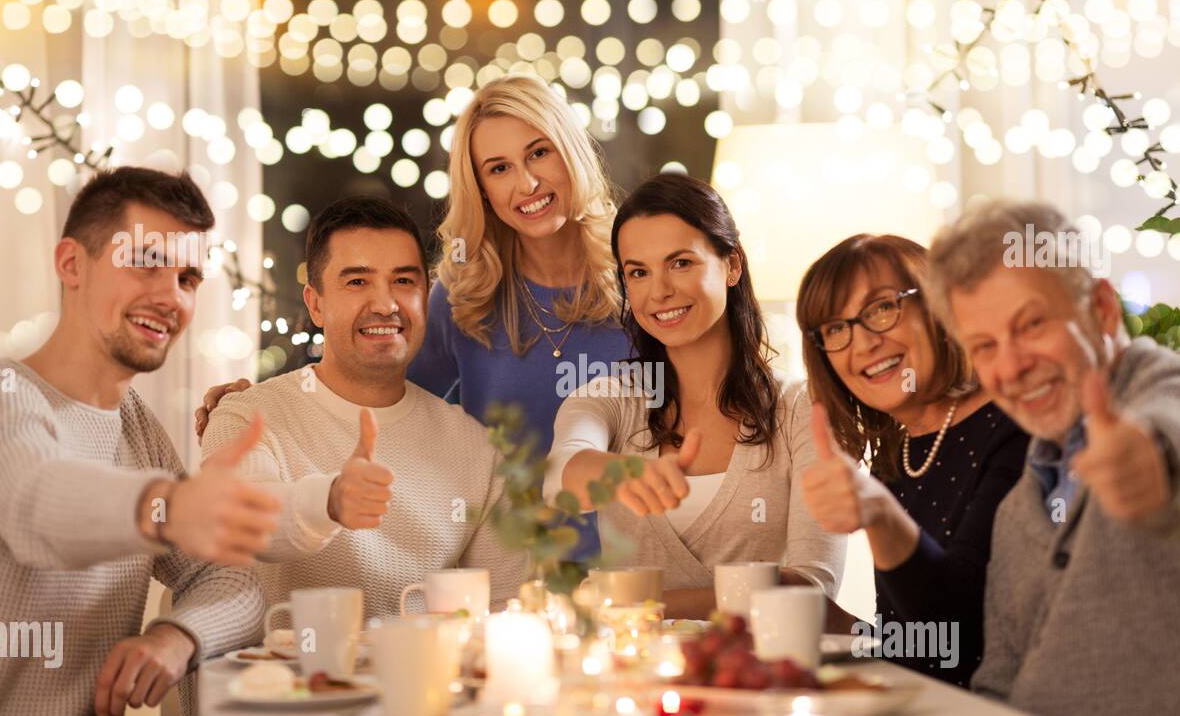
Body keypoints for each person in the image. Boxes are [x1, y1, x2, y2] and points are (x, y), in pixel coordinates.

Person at [0, 167, 277, 716]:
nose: (172, 297)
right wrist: (166, 506)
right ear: (72, 264)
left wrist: (177, 635)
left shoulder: (137, 430)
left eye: (187, 278)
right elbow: (38, 506)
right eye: (147, 264)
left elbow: (236, 584)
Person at [926, 198, 1180, 716]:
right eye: (985, 346)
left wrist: (1152, 465)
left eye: (1031, 326)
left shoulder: (1179, 394)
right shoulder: (1021, 505)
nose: (1012, 366)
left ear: (1102, 309)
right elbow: (1000, 686)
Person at [200, 196, 529, 615]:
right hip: (281, 678)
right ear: (315, 304)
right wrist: (331, 500)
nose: (385, 304)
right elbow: (244, 522)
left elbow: (503, 607)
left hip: (422, 677)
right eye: (357, 282)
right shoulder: (245, 416)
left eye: (404, 281)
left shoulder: (478, 450)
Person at [544, 173, 846, 619]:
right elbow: (559, 481)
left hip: (761, 677)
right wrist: (619, 473)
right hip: (633, 680)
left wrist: (637, 604)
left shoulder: (803, 408)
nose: (659, 291)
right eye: (639, 273)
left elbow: (812, 589)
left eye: (680, 263)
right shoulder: (608, 398)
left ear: (732, 265)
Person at [406, 74, 632, 559]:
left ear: (569, 151)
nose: (526, 183)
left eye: (538, 153)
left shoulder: (639, 276)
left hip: (637, 573)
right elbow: (385, 403)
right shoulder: (462, 296)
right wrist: (268, 402)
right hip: (507, 576)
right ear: (481, 187)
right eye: (499, 168)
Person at [795, 235, 1029, 686]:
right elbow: (915, 643)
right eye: (836, 329)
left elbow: (960, 644)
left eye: (882, 308)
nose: (863, 343)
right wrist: (823, 620)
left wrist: (881, 517)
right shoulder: (896, 452)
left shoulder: (1015, 426)